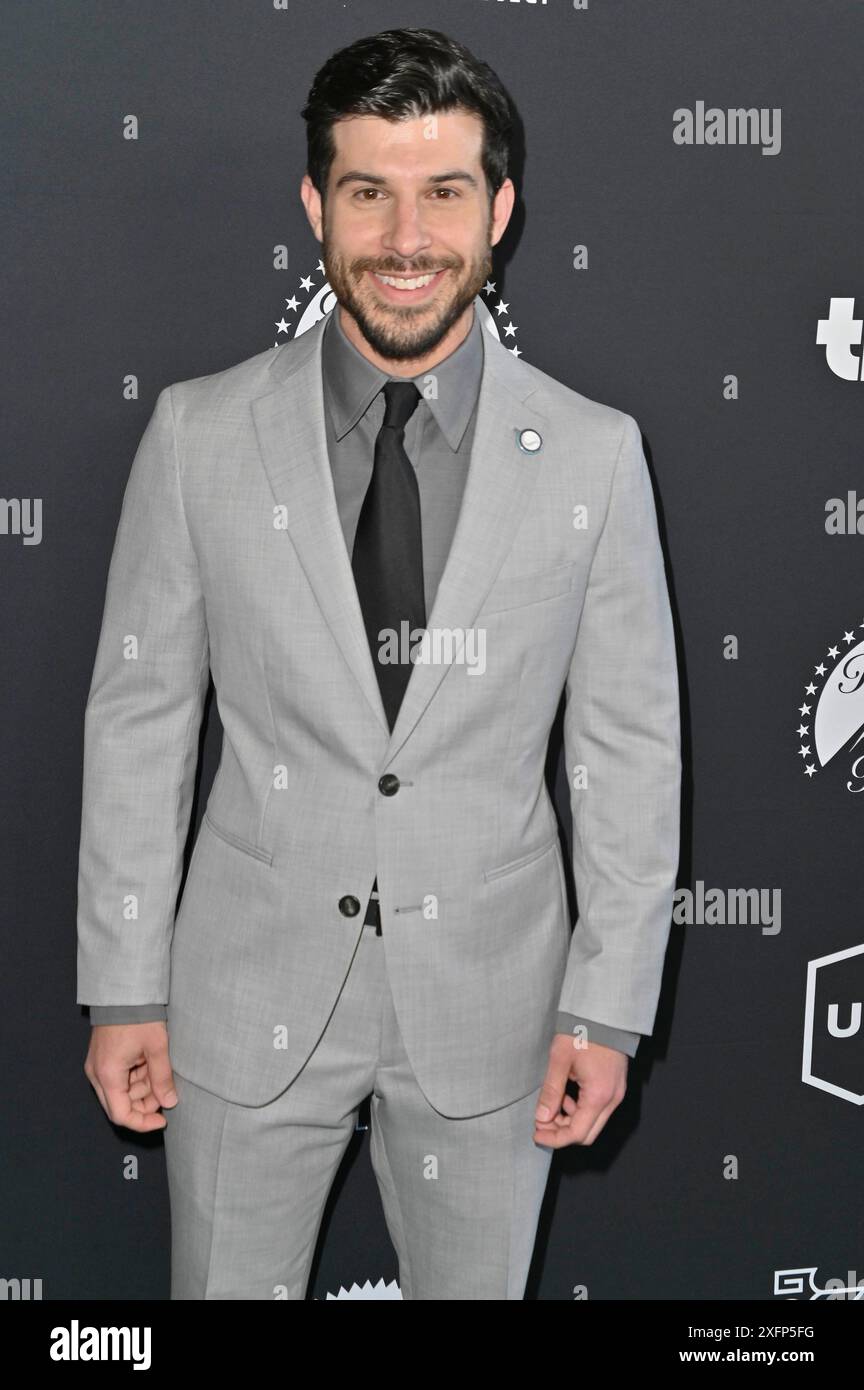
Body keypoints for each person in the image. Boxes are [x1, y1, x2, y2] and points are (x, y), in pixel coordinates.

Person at [78, 26, 681, 1300]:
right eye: (369, 192)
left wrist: (604, 1009)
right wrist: (122, 985)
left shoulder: (593, 455)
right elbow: (140, 721)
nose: (407, 239)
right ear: (315, 205)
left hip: (496, 1012)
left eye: (444, 193)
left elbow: (628, 750)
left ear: (501, 210)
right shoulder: (197, 436)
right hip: (240, 996)